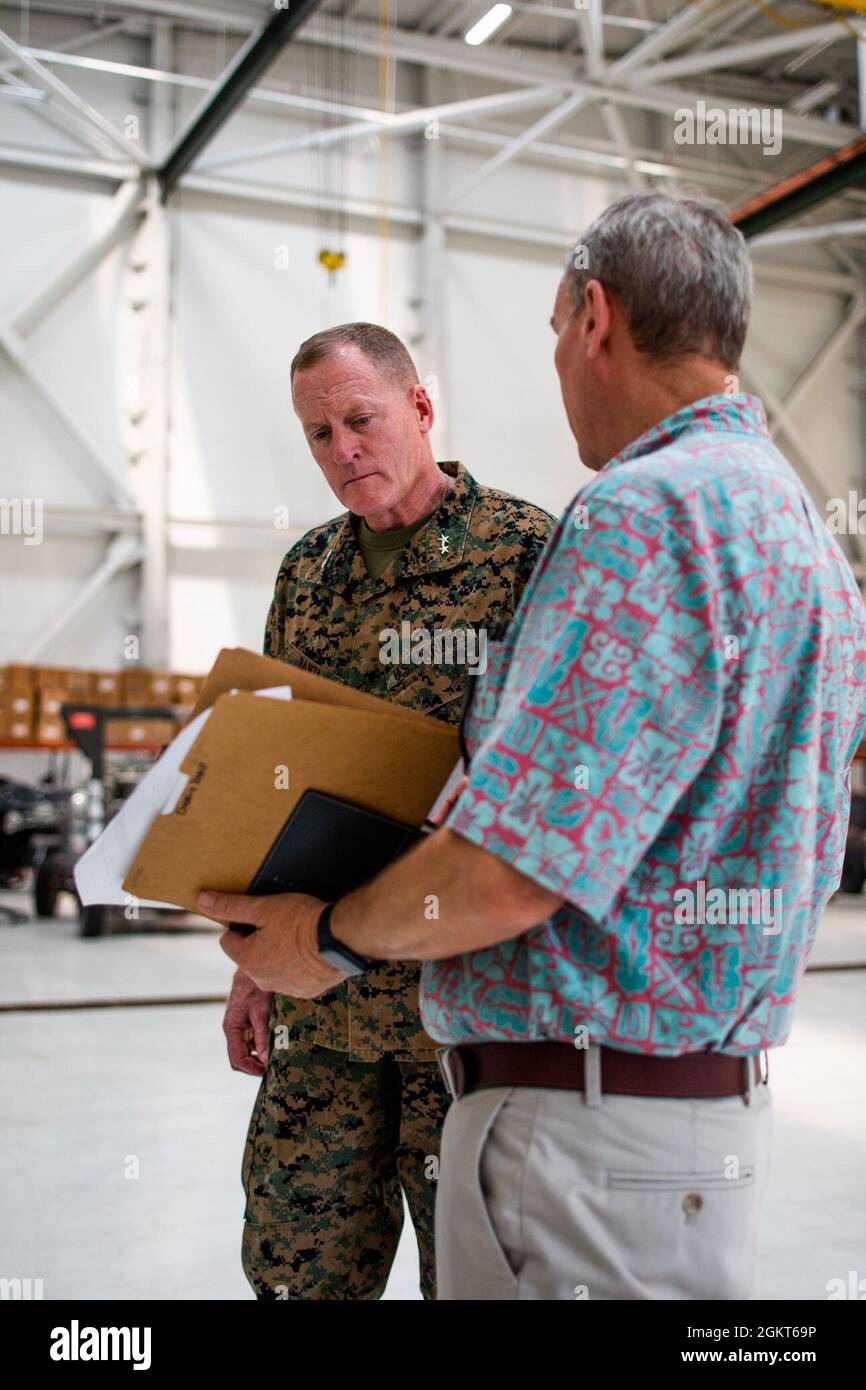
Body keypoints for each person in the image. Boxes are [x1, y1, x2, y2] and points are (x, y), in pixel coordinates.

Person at [203, 194, 866, 1300]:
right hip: (683, 1109)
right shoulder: (793, 530)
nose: (342, 450)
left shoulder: (632, 517)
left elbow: (512, 869)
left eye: (556, 331)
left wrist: (323, 940)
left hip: (577, 1120)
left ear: (593, 316)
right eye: (318, 433)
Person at [221, 321, 554, 1300]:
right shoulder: (306, 571)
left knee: (474, 1278)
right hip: (315, 1000)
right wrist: (249, 969)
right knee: (294, 1272)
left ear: (419, 406)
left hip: (458, 1010)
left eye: (359, 420)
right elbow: (279, 772)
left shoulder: (526, 553)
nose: (341, 452)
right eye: (317, 435)